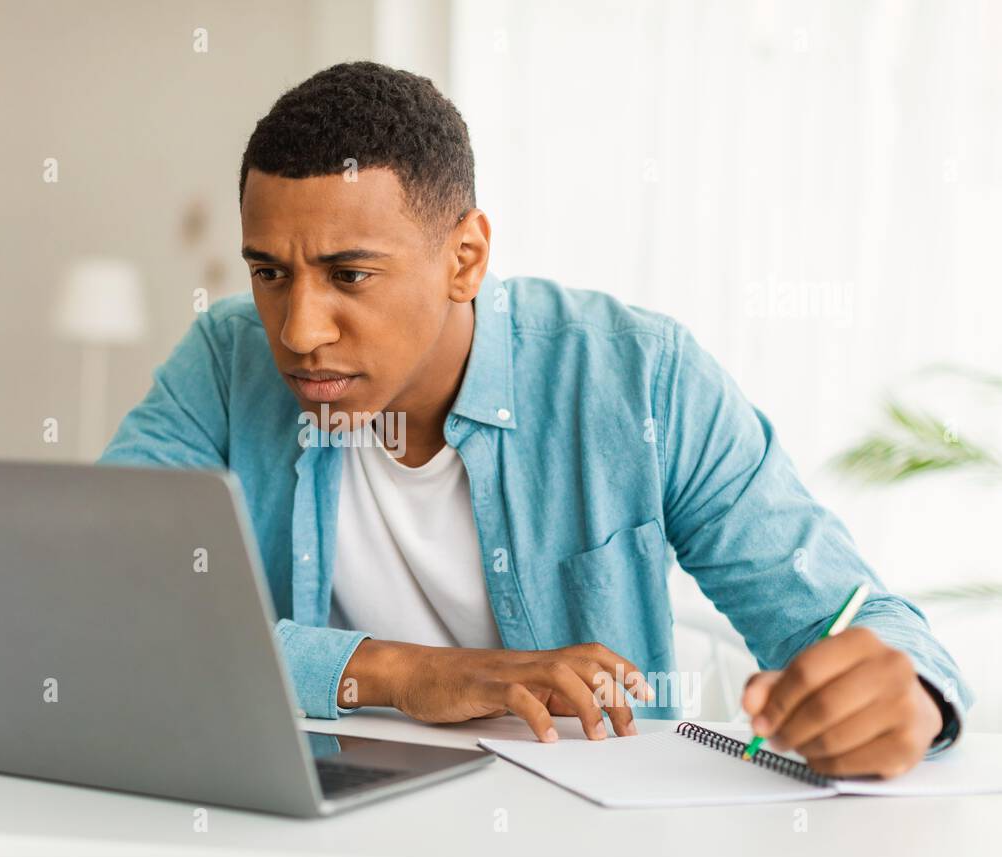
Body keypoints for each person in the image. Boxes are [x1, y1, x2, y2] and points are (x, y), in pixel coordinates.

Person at [102, 60, 969, 779]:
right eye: (270, 273)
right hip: (316, 831)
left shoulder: (639, 379)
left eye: (350, 275)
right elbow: (113, 599)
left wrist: (911, 702)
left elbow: (858, 621)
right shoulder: (225, 361)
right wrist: (404, 674)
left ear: (466, 258)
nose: (297, 331)